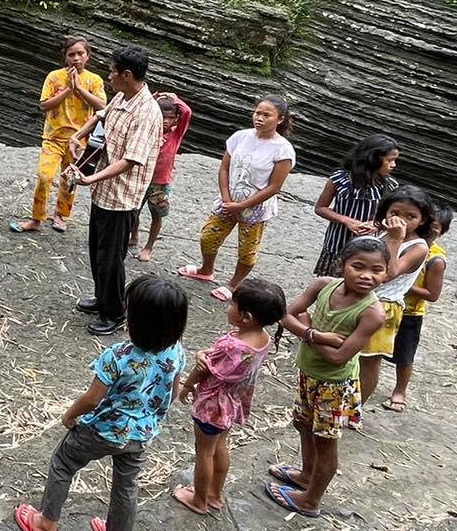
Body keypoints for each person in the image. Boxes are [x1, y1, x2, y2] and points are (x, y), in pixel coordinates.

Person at [15, 274, 189, 531]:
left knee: (63, 463)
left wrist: (69, 416)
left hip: (100, 431)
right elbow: (173, 393)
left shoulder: (118, 355)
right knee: (127, 484)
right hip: (141, 434)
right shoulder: (177, 352)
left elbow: (92, 398)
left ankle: (46, 525)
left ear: (135, 319)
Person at [269, 236, 388, 517]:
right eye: (358, 266)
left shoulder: (372, 313)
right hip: (309, 372)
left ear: (386, 272)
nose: (367, 276)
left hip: (335, 385)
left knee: (326, 440)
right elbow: (285, 313)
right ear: (341, 265)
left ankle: (310, 500)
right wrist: (315, 334)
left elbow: (339, 356)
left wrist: (306, 331)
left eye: (377, 270)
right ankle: (305, 475)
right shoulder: (323, 286)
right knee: (302, 423)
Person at [172, 277, 285, 515]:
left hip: (213, 404)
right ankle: (215, 494)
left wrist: (187, 384)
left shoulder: (231, 345)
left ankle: (199, 500)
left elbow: (204, 369)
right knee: (221, 445)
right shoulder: (263, 339)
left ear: (246, 317)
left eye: (233, 304)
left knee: (204, 452)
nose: (228, 307)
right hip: (233, 402)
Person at [74, 46, 164, 336]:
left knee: (111, 257)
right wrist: (78, 135)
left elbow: (130, 160)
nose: (109, 75)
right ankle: (103, 298)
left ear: (127, 74)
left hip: (122, 196)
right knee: (97, 249)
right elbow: (101, 115)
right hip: (104, 191)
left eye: (113, 71)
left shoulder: (147, 112)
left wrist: (90, 179)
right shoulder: (123, 97)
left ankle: (114, 313)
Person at [178, 95, 297, 301]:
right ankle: (206, 269)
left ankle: (234, 284)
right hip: (228, 200)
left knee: (247, 251)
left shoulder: (283, 149)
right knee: (208, 237)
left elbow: (275, 187)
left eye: (266, 115)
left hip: (254, 208)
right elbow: (225, 167)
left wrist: (242, 205)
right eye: (257, 113)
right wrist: (226, 198)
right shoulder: (240, 137)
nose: (259, 118)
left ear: (280, 119)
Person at [12, 38, 104, 234]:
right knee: (44, 176)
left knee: (70, 179)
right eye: (71, 54)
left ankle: (61, 215)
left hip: (79, 140)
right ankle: (36, 218)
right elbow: (44, 104)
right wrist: (69, 89)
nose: (76, 58)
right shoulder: (54, 77)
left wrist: (79, 88)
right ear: (65, 57)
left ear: (88, 56)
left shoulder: (94, 80)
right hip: (53, 137)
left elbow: (102, 107)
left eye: (80, 54)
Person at [356, 186, 435, 409]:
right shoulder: (381, 232)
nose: (401, 221)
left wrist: (395, 239)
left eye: (411, 217)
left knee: (369, 361)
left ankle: (356, 408)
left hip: (384, 306)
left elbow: (388, 274)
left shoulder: (418, 247)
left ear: (422, 220)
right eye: (395, 214)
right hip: (362, 298)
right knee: (350, 354)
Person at [386, 205, 452, 413]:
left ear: (442, 231)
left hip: (410, 312)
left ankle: (400, 390)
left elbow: (432, 295)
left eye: (436, 228)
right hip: (388, 303)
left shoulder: (435, 259)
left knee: (404, 355)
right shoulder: (403, 242)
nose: (431, 230)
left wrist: (407, 282)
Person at [313, 133, 402, 276]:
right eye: (390, 160)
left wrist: (376, 224)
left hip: (372, 244)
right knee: (330, 282)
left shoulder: (390, 186)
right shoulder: (340, 180)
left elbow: (395, 215)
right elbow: (321, 208)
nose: (393, 165)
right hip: (338, 242)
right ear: (373, 158)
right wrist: (347, 221)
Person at [136, 91, 191, 261]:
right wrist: (153, 100)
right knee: (132, 213)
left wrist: (175, 98)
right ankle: (133, 236)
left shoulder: (176, 134)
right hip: (141, 178)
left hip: (160, 183)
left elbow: (187, 112)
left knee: (157, 215)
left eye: (170, 118)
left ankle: (149, 247)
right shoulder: (150, 129)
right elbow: (142, 110)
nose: (166, 121)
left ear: (175, 119)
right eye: (162, 117)